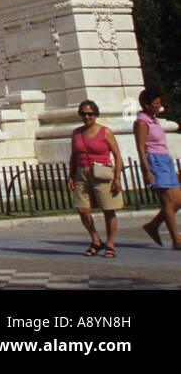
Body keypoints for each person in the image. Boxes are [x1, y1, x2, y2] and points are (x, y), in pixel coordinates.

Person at [66, 99, 124, 257]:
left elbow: (118, 156)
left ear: (96, 114)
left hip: (101, 172)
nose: (86, 117)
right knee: (82, 209)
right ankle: (96, 239)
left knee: (108, 209)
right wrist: (70, 176)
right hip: (81, 172)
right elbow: (73, 156)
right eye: (83, 113)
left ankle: (110, 243)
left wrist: (117, 177)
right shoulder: (76, 133)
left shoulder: (105, 132)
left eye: (90, 114)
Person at [135, 88, 181, 249]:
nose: (159, 106)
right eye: (156, 103)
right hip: (154, 161)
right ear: (147, 105)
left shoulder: (154, 120)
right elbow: (140, 147)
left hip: (165, 159)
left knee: (178, 200)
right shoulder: (142, 122)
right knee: (168, 202)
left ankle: (153, 225)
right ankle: (176, 240)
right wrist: (146, 170)